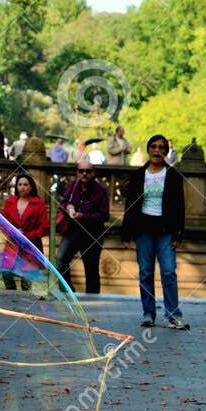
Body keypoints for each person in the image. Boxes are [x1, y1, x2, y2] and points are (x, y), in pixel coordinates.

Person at [121, 134, 187, 330]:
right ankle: (148, 313)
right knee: (146, 272)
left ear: (166, 152)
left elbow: (179, 207)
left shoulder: (173, 176)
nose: (157, 150)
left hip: (166, 230)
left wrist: (178, 235)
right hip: (143, 230)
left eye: (161, 148)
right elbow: (130, 206)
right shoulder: (139, 175)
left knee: (168, 271)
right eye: (154, 147)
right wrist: (126, 234)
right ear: (148, 150)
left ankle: (173, 314)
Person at [55, 162, 109, 294]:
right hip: (72, 231)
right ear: (77, 172)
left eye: (88, 171)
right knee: (60, 261)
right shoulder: (73, 185)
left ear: (94, 173)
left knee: (91, 269)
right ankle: (68, 292)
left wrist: (83, 216)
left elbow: (104, 215)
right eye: (81, 171)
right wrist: (67, 207)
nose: (84, 174)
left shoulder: (101, 190)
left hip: (92, 234)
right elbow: (63, 203)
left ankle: (93, 300)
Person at [0, 172, 49, 289]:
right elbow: (3, 224)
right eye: (19, 184)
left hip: (30, 247)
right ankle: (12, 299)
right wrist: (14, 233)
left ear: (31, 187)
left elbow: (44, 228)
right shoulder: (10, 202)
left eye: (25, 184)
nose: (22, 187)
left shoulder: (38, 203)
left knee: (26, 280)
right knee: (7, 274)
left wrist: (27, 236)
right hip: (12, 245)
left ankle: (24, 302)